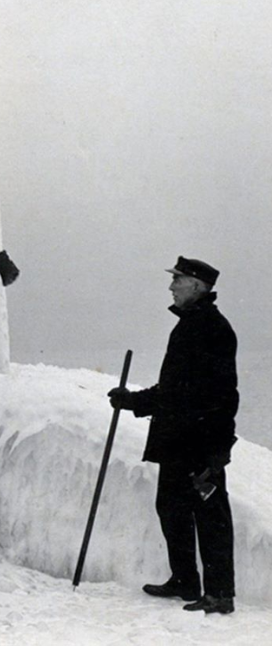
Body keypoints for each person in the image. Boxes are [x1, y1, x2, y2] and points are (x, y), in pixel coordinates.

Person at [109, 255, 238, 616]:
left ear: (196, 285)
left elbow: (224, 394)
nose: (171, 286)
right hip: (179, 441)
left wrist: (218, 450)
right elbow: (174, 388)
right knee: (171, 508)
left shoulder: (212, 328)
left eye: (177, 280)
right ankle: (185, 580)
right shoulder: (190, 325)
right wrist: (133, 400)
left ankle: (220, 594)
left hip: (200, 443)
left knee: (210, 516)